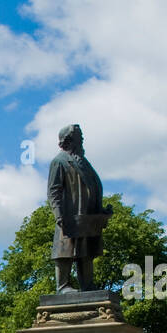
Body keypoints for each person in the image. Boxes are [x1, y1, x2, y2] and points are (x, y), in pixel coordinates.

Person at [48, 124, 111, 293]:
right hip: (70, 215)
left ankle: (87, 285)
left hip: (87, 216)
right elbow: (54, 191)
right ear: (69, 140)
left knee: (86, 250)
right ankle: (63, 286)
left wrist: (101, 212)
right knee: (65, 249)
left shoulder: (84, 162)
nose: (82, 140)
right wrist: (58, 215)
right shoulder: (59, 161)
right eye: (79, 137)